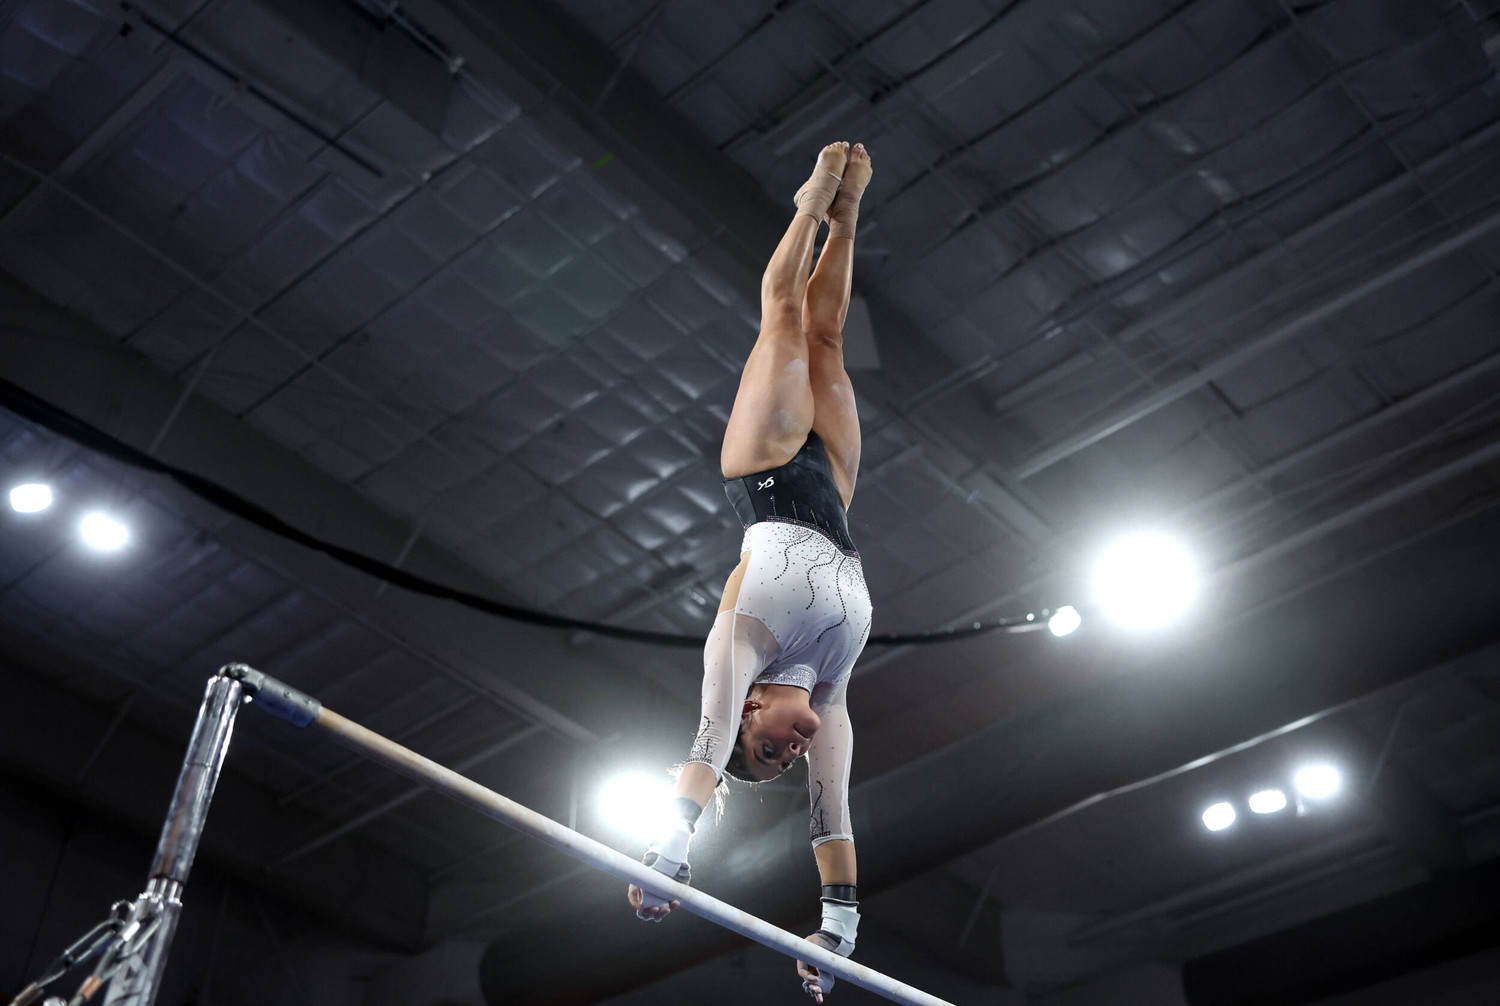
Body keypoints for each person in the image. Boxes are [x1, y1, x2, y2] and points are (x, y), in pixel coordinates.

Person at [626, 141, 874, 1003]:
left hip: (765, 473)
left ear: (752, 707)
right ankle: (847, 215)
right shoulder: (832, 694)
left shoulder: (743, 645)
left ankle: (809, 204)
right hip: (835, 488)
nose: (796, 749)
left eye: (768, 749)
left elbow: (702, 744)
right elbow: (831, 817)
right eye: (787, 761)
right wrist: (837, 926)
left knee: (781, 317)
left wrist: (669, 855)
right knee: (830, 334)